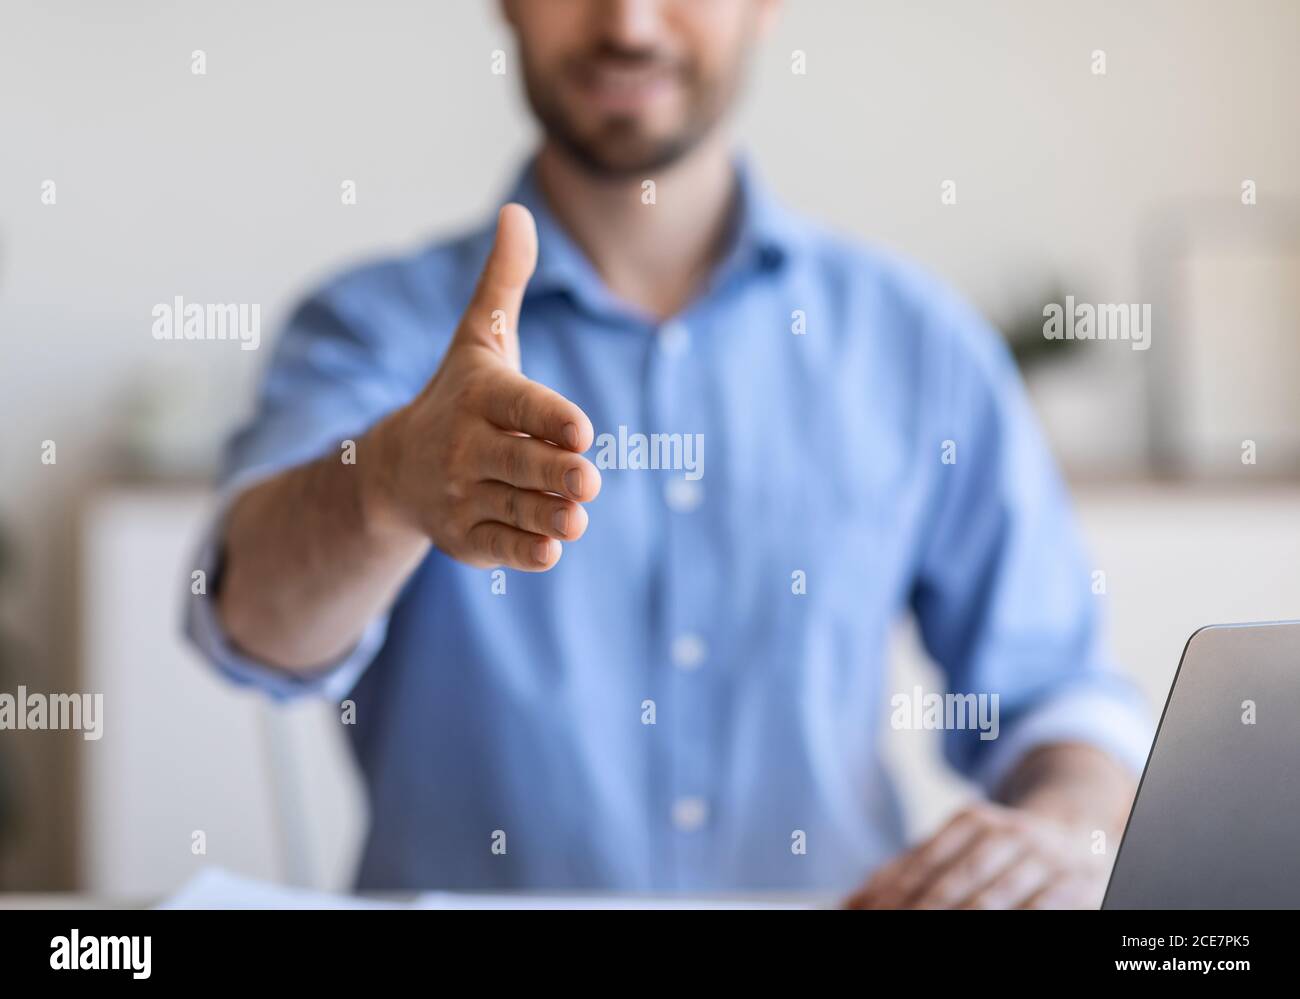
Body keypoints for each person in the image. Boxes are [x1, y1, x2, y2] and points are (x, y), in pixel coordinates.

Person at [187, 0, 1150, 907]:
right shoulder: (369, 328)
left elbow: (1055, 691)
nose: (629, 23)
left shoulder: (920, 345)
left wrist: (1063, 828)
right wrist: (388, 483)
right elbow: (254, 622)